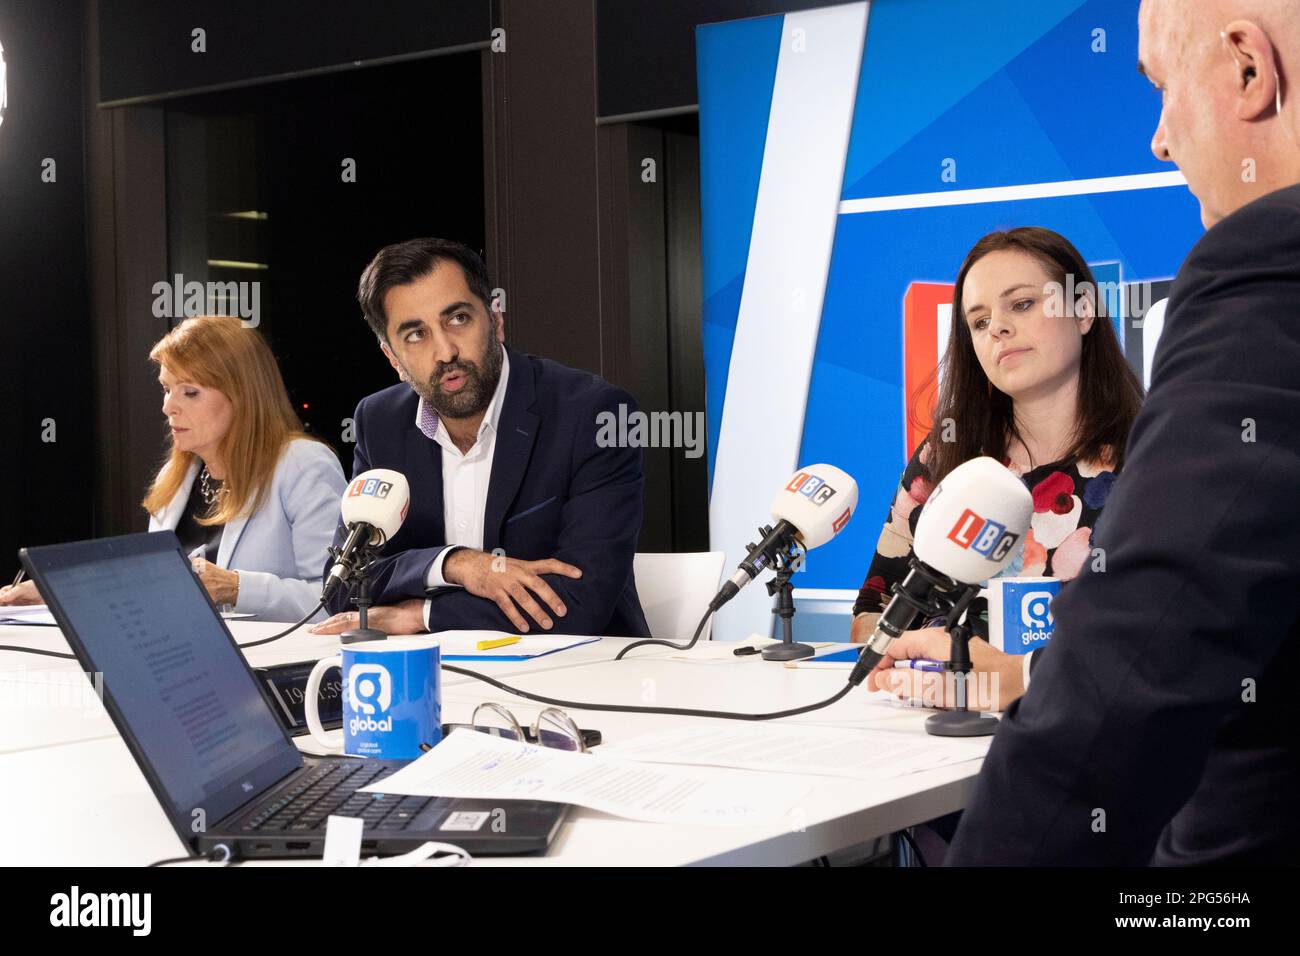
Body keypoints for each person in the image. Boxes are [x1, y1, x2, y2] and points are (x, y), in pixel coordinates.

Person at [936, 0, 1300, 864]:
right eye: (980, 319)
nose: (1161, 139)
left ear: (1248, 69)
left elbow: (1131, 678)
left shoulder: (1265, 276)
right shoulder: (946, 465)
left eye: (1164, 89)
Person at [853, 227, 1143, 710]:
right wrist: (899, 658)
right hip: (931, 737)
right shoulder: (942, 457)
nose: (999, 329)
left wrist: (1008, 680)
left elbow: (1161, 641)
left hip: (1087, 735)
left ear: (1084, 310)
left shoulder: (1150, 458)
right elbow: (874, 609)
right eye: (980, 321)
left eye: (1022, 304)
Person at [308, 238, 650, 638]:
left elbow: (578, 606)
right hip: (437, 679)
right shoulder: (380, 421)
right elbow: (346, 587)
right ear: (392, 358)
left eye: (457, 319)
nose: (446, 351)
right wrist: (458, 564)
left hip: (582, 674)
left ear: (495, 319)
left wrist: (422, 615)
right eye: (416, 335)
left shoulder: (593, 414)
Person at [0, 315, 346, 622]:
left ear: (242, 395)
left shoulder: (303, 465)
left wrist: (236, 587)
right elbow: (155, 588)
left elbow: (334, 600)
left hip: (275, 673)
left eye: (189, 392)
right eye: (167, 389)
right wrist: (60, 590)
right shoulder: (176, 476)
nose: (168, 406)